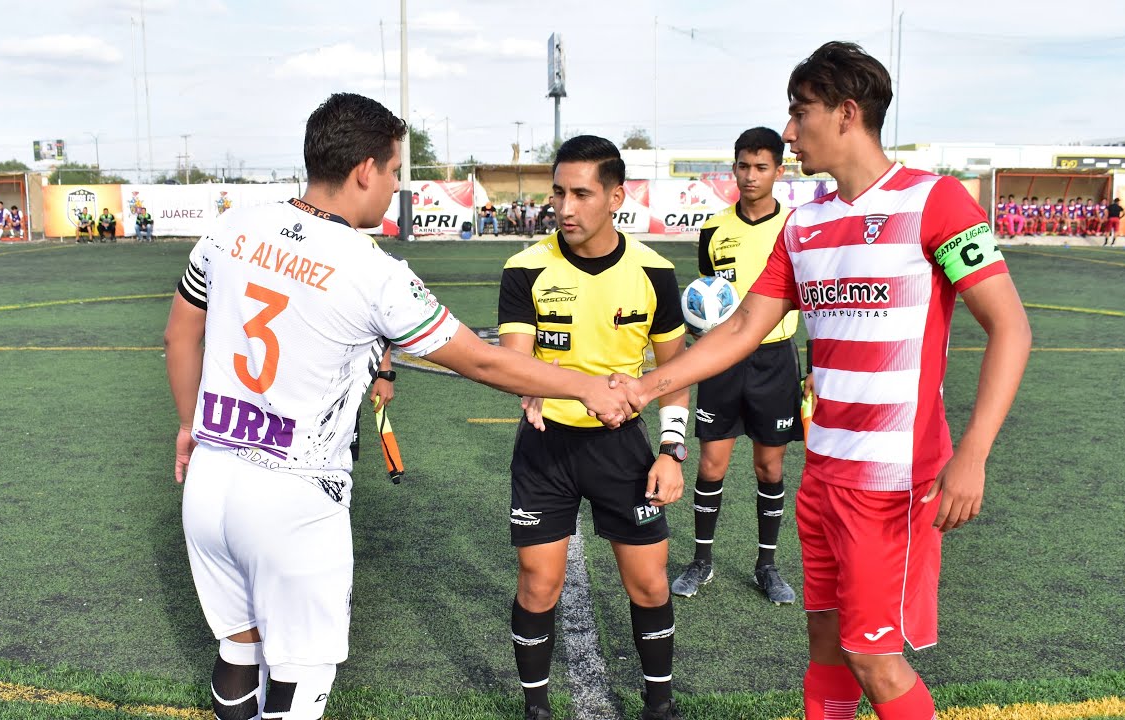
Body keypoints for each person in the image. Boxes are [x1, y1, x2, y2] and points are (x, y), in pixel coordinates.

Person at [163, 94, 638, 720]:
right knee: (298, 686)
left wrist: (188, 425)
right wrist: (584, 386)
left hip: (212, 479)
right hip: (293, 495)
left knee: (238, 646)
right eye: (393, 172)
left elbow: (179, 333)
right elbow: (483, 359)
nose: (393, 188)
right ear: (365, 169)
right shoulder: (372, 270)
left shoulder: (232, 227)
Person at [613, 42, 1031, 720]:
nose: (787, 131)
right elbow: (746, 324)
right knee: (825, 644)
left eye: (798, 113)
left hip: (893, 483)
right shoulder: (803, 225)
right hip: (825, 475)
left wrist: (973, 455)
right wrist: (645, 387)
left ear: (845, 114)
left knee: (874, 657)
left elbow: (1011, 328)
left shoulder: (936, 200)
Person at [497, 135, 688, 720]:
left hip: (621, 449)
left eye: (581, 193)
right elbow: (515, 358)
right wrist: (531, 387)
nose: (565, 206)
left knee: (650, 585)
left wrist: (671, 449)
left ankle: (659, 706)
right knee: (538, 583)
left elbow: (674, 372)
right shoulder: (525, 266)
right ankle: (537, 711)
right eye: (558, 192)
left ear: (615, 196)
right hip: (546, 447)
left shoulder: (654, 272)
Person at [671, 126, 805, 606]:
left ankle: (767, 566)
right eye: (744, 167)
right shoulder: (714, 228)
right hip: (724, 358)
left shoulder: (796, 226)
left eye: (761, 167)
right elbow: (710, 292)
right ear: (734, 169)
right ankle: (701, 561)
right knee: (711, 463)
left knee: (770, 466)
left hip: (774, 359)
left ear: (778, 171)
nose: (751, 176)